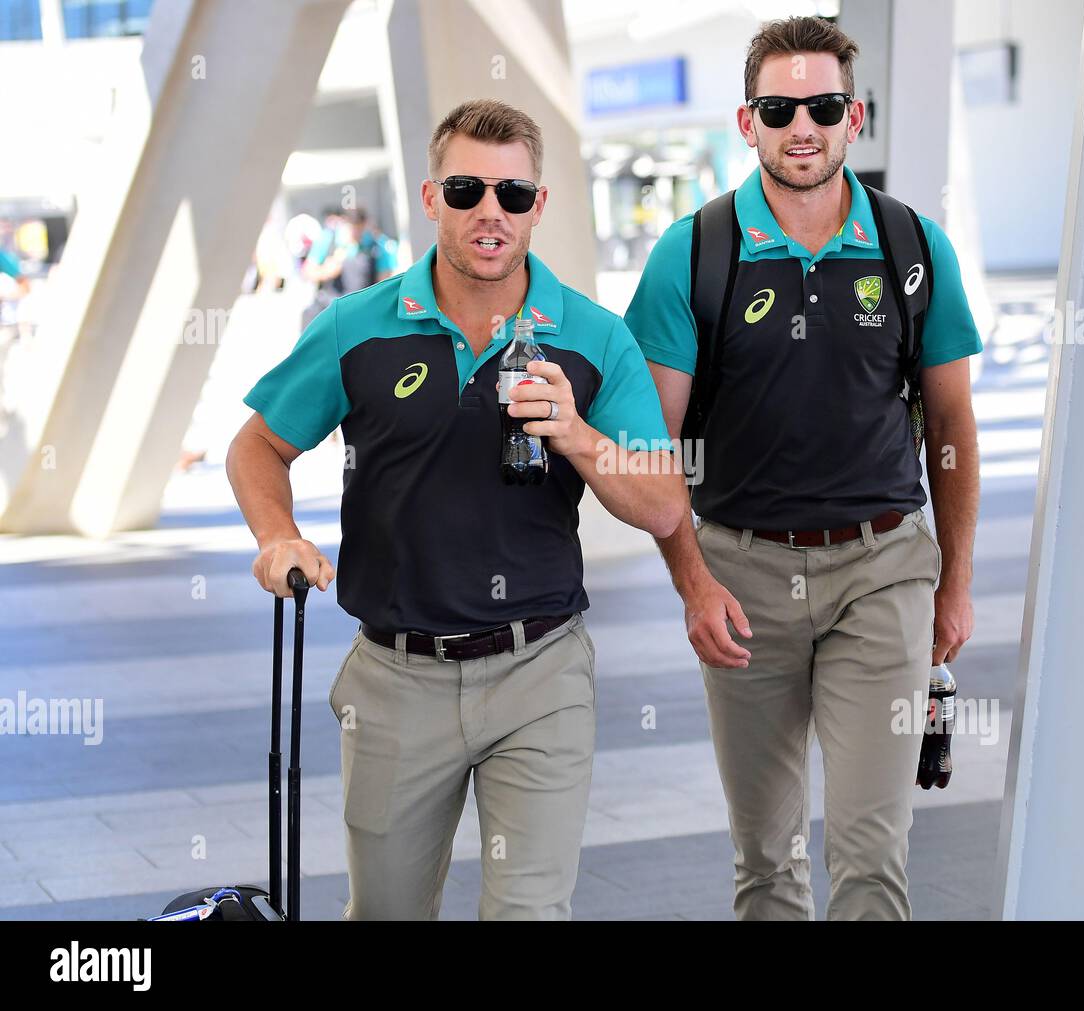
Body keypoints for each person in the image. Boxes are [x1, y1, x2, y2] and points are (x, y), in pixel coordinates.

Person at [227, 98, 685, 920]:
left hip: (541, 668)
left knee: (529, 912)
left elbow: (659, 502)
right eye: (468, 189)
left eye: (513, 195)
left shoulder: (593, 336)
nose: (490, 213)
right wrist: (277, 537)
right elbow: (257, 446)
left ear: (538, 207)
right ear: (433, 195)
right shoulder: (357, 327)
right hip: (397, 674)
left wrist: (576, 433)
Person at [623, 15, 983, 920]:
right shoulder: (694, 254)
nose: (802, 126)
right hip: (742, 572)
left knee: (872, 856)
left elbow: (949, 425)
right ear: (748, 123)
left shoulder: (913, 248)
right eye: (779, 108)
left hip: (883, 568)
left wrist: (955, 583)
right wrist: (693, 583)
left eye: (823, 105)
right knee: (768, 862)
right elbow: (653, 445)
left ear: (853, 116)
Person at [300, 207, 398, 326]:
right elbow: (307, 272)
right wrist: (327, 271)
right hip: (330, 312)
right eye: (351, 228)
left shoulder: (377, 246)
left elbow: (385, 282)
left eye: (359, 229)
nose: (356, 234)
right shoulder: (329, 240)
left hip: (361, 314)